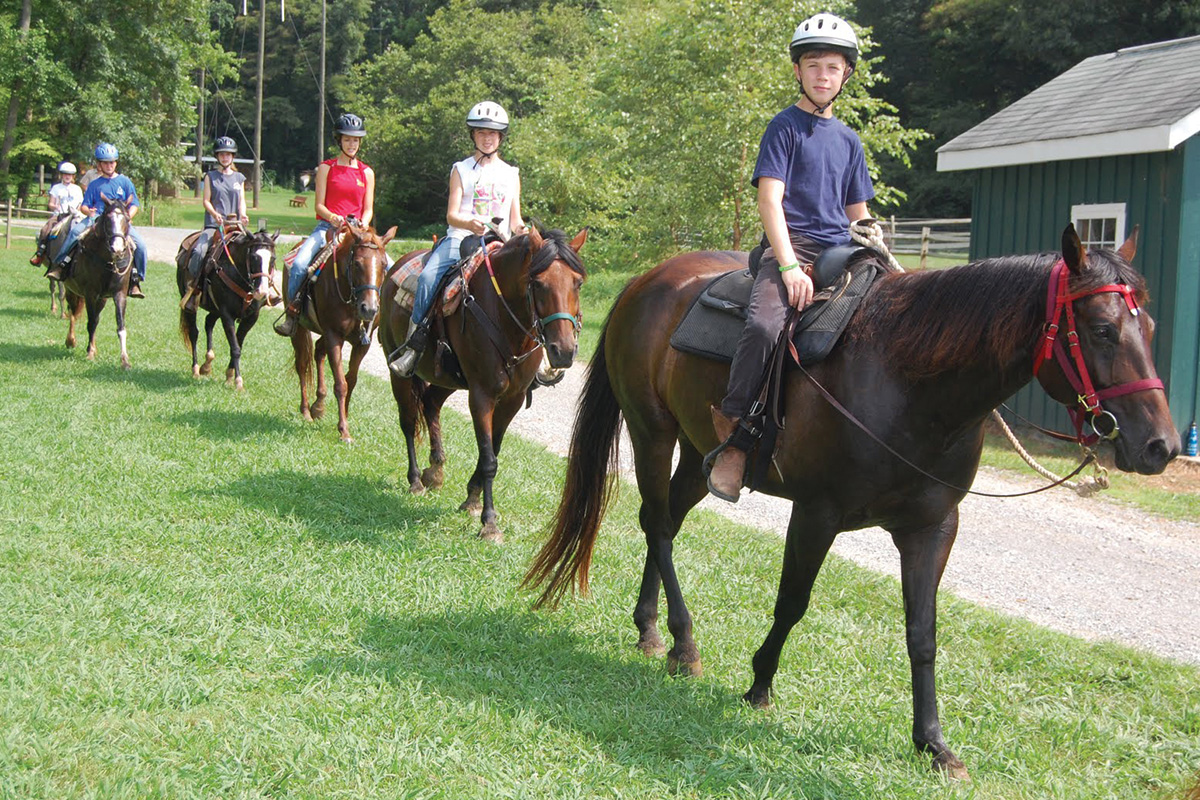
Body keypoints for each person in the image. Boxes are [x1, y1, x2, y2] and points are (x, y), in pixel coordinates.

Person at [705, 13, 875, 502]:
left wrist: (874, 237)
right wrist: (788, 267)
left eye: (833, 67)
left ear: (846, 75)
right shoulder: (784, 127)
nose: (823, 75)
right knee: (764, 326)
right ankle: (734, 433)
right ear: (798, 71)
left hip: (841, 252)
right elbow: (769, 201)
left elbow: (858, 212)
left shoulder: (849, 141)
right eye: (814, 65)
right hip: (791, 248)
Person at [387, 100, 526, 377]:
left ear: (501, 137)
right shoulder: (460, 170)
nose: (487, 138)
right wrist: (469, 223)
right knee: (428, 278)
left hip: (500, 242)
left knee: (533, 283)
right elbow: (452, 215)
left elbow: (515, 220)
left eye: (492, 133)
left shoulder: (511, 174)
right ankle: (414, 346)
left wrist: (524, 231)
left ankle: (538, 357)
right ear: (473, 135)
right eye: (481, 132)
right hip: (462, 238)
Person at [274, 113, 376, 336]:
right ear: (339, 140)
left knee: (384, 266)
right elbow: (319, 206)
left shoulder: (367, 172)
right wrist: (332, 217)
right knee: (299, 264)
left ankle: (377, 319)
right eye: (347, 140)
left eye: (355, 140)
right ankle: (292, 313)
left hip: (358, 232)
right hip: (327, 229)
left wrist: (364, 223)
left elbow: (368, 208)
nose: (352, 144)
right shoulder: (326, 168)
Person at [46, 142, 149, 298]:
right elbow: (84, 206)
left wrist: (127, 216)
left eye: (112, 162)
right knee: (74, 233)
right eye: (105, 163)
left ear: (116, 163)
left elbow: (134, 204)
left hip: (119, 221)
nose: (109, 165)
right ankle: (60, 266)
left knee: (140, 245)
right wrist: (88, 211)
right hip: (96, 217)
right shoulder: (94, 184)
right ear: (99, 164)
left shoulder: (125, 182)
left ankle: (136, 279)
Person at [180, 136, 250, 311]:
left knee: (254, 251)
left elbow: (241, 200)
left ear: (232, 156)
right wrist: (215, 214)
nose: (225, 157)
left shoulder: (239, 178)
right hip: (214, 225)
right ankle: (193, 288)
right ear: (217, 156)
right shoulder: (210, 176)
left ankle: (258, 292)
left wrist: (243, 214)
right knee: (199, 251)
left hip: (235, 226)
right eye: (222, 154)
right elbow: (206, 201)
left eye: (228, 154)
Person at [29, 161, 84, 266]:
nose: (67, 177)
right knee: (45, 229)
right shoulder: (56, 188)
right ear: (61, 175)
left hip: (73, 216)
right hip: (59, 215)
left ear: (73, 176)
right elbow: (51, 203)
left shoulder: (77, 189)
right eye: (65, 174)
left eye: (70, 175)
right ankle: (40, 254)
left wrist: (76, 211)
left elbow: (80, 204)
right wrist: (56, 207)